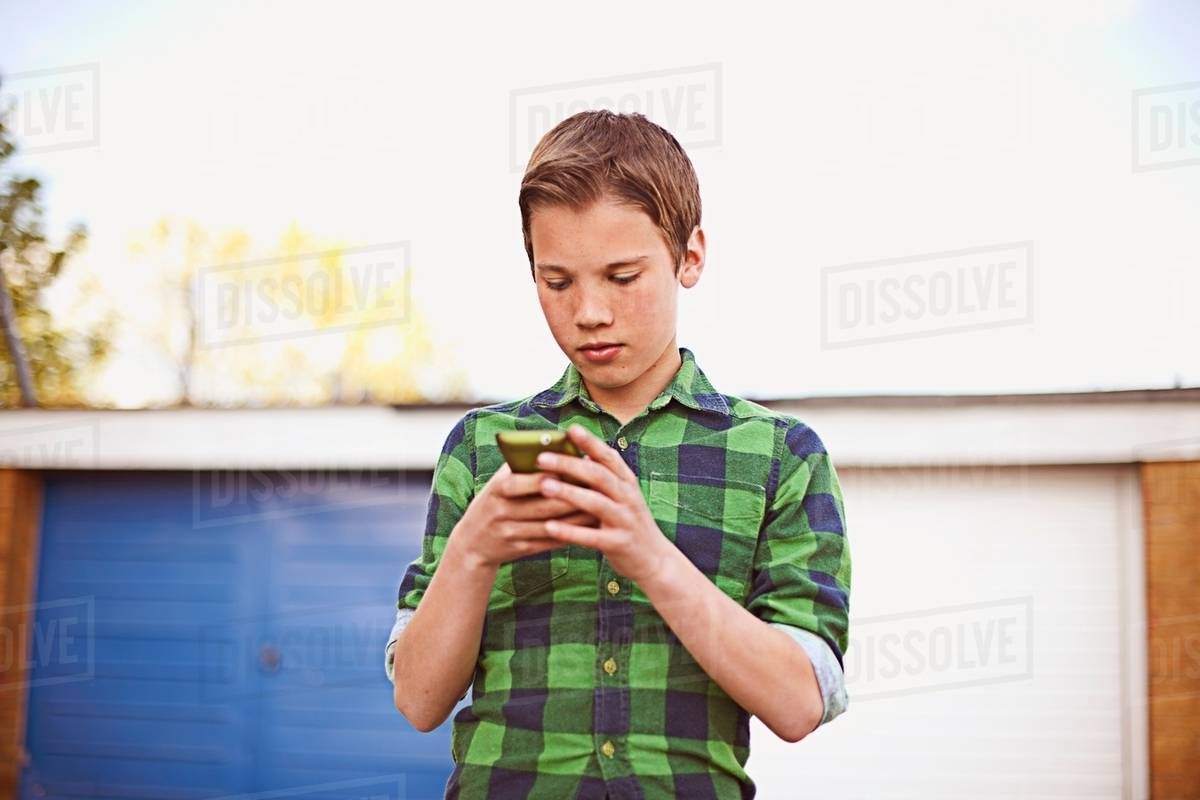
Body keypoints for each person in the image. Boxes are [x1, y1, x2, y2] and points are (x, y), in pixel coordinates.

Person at [386, 109, 851, 799]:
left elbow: (799, 703)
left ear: (690, 256)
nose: (590, 312)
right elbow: (420, 703)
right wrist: (473, 552)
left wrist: (648, 555)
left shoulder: (782, 456)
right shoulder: (480, 448)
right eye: (558, 281)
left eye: (622, 276)